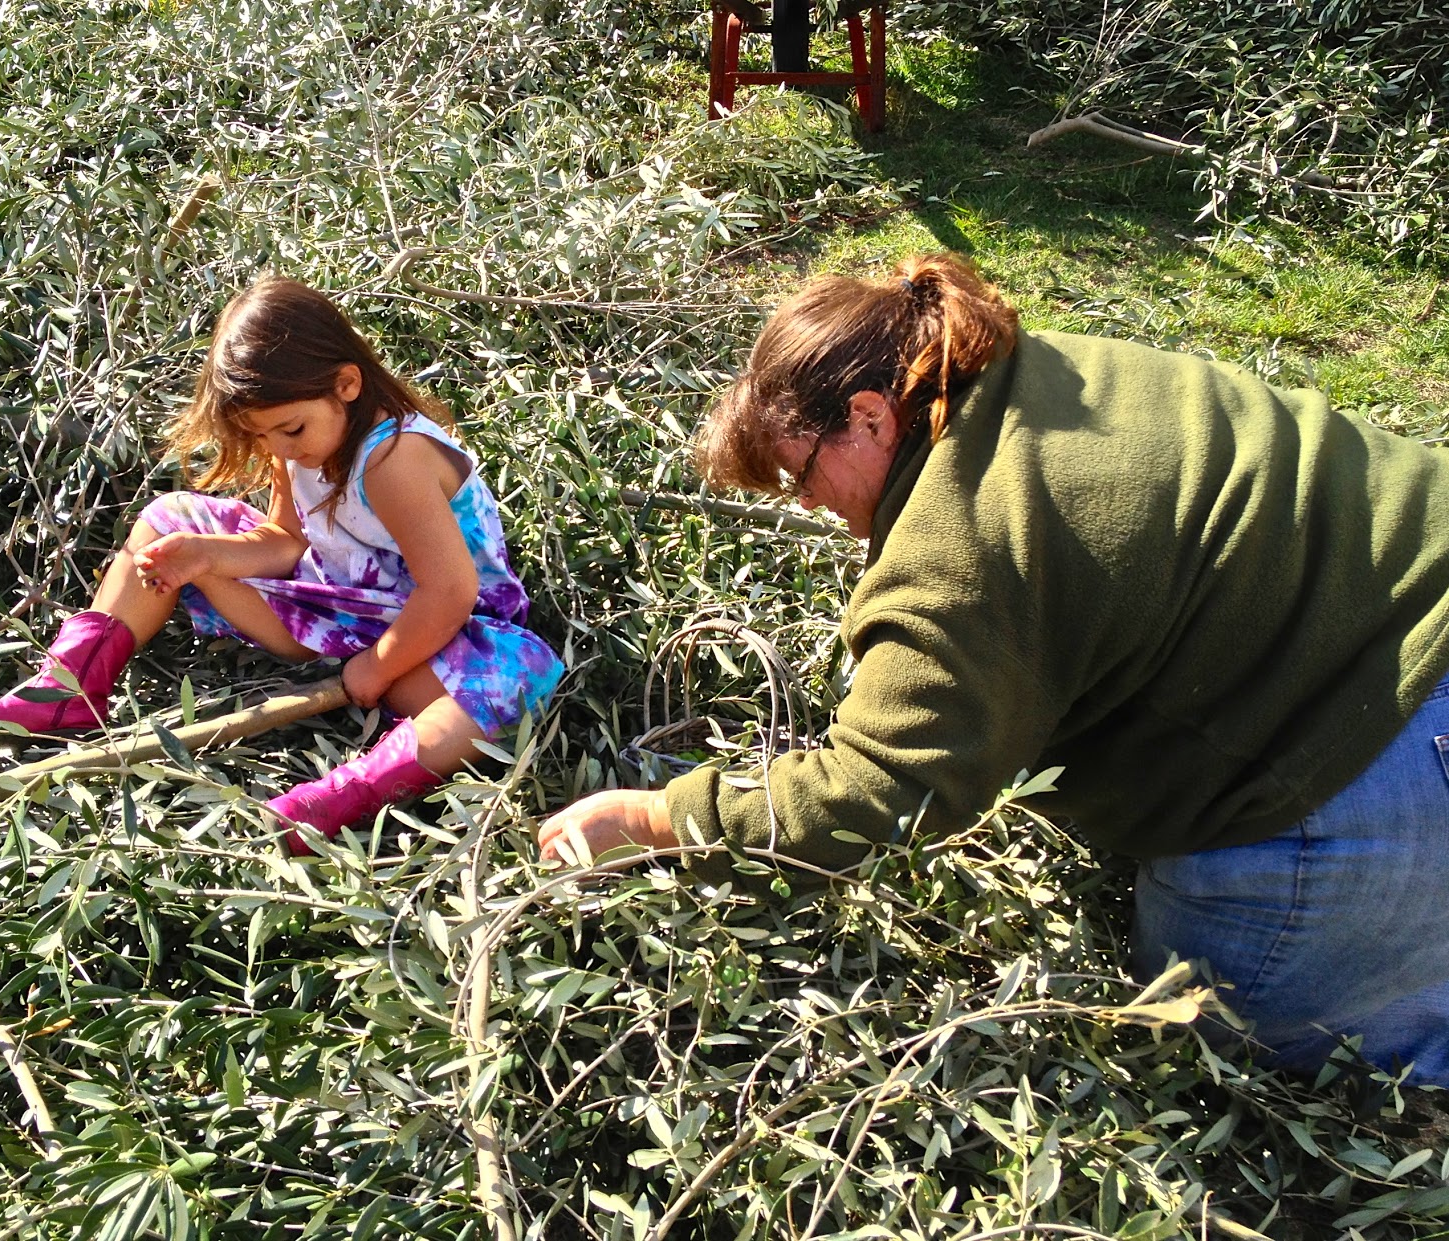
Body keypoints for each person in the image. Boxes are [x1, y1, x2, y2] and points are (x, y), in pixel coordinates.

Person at [538, 253, 1449, 1082]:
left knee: (1232, 1060)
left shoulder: (960, 552)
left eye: (801, 475)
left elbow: (877, 793)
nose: (812, 506)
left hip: (1372, 737)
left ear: (866, 415)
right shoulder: (1025, 369)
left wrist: (658, 817)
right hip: (1416, 550)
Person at [0, 277, 563, 853]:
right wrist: (207, 555)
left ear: (347, 385)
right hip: (333, 604)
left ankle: (338, 802)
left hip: (442, 634)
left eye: (290, 429)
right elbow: (283, 541)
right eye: (262, 435)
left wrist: (373, 673)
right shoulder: (297, 442)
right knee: (171, 519)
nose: (278, 448)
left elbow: (450, 592)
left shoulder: (395, 460)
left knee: (518, 681)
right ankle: (68, 688)